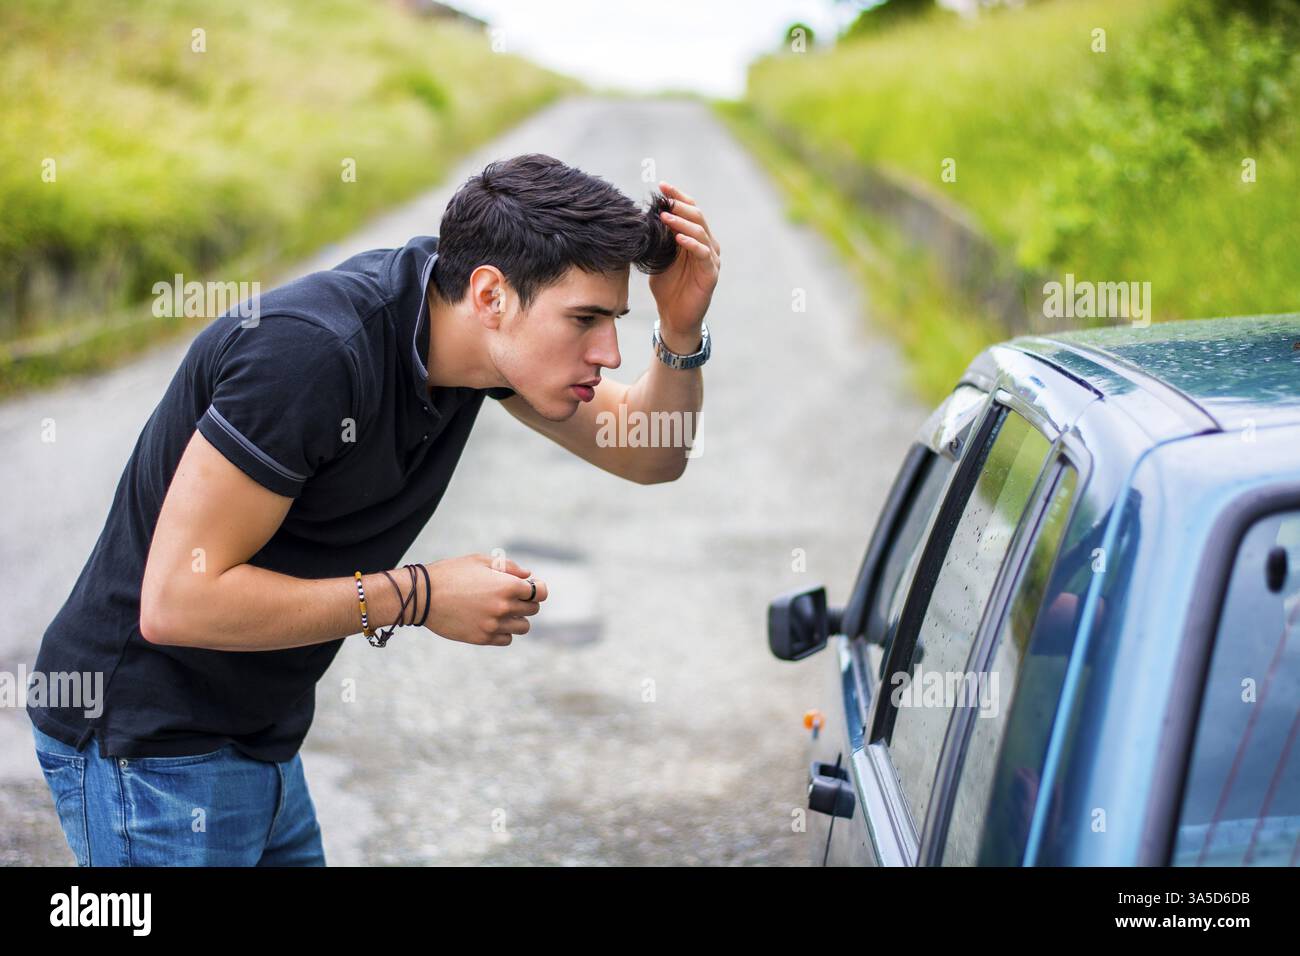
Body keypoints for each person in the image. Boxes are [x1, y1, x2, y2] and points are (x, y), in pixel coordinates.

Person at [26, 152, 721, 866]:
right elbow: (176, 601)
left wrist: (678, 336)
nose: (607, 352)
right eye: (584, 319)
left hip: (257, 734)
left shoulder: (469, 338)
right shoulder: (310, 357)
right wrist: (418, 596)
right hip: (145, 748)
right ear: (491, 296)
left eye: (615, 322)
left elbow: (648, 453)